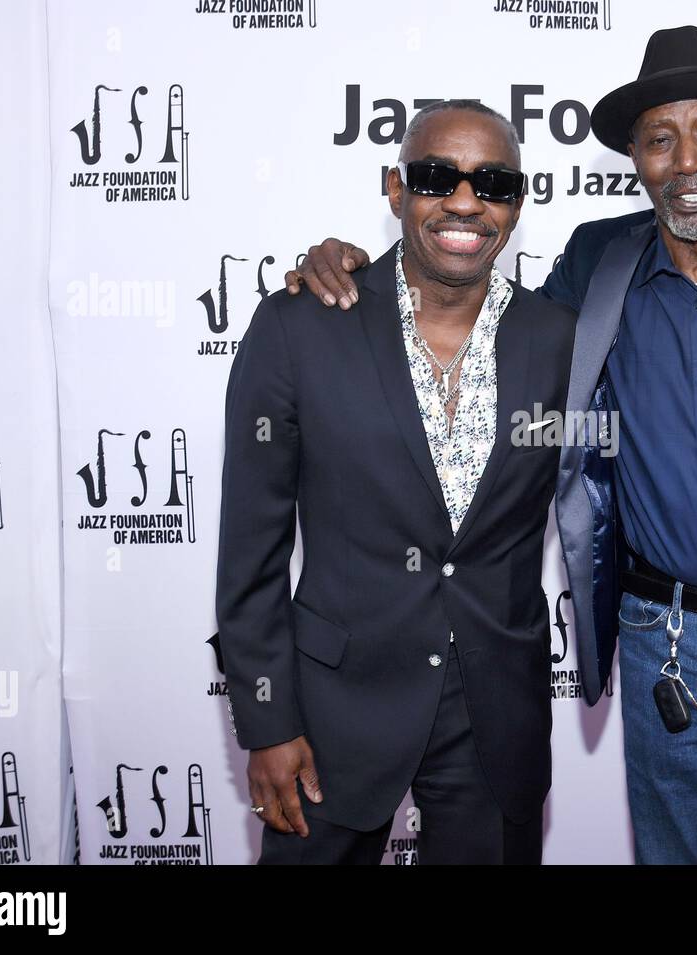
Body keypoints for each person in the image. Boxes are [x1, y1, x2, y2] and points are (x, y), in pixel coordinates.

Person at [285, 26, 697, 864]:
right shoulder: (595, 263)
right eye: (659, 139)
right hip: (662, 645)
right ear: (634, 158)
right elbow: (481, 330)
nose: (688, 160)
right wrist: (357, 271)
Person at [215, 100, 576, 864]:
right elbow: (251, 548)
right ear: (395, 189)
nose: (465, 201)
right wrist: (269, 720)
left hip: (495, 718)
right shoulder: (301, 324)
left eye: (494, 182)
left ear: (518, 202)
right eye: (436, 176)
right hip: (332, 710)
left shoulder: (558, 339)